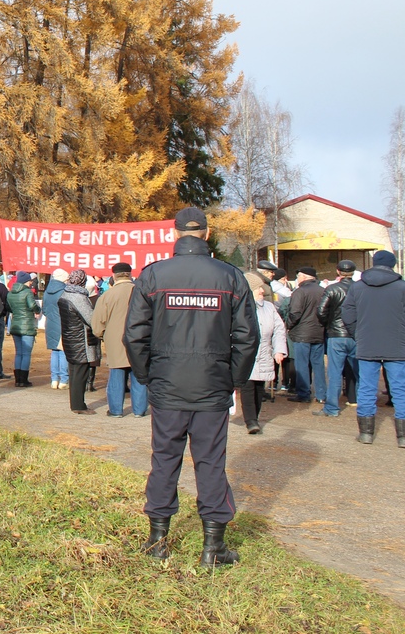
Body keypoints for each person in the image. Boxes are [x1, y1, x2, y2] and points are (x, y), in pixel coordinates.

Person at [123, 206, 259, 567]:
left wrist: (146, 375)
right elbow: (247, 338)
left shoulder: (153, 276)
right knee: (211, 461)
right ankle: (212, 548)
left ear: (175, 233)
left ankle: (158, 541)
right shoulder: (230, 277)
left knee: (164, 458)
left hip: (169, 383)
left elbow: (134, 335)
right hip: (211, 385)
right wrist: (234, 379)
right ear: (207, 233)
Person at [341, 250, 405, 447]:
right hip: (397, 344)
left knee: (367, 388)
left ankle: (366, 433)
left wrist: (357, 334)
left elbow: (348, 313)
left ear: (374, 263)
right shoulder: (402, 287)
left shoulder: (357, 287)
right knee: (400, 389)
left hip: (367, 342)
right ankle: (402, 437)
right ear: (393, 264)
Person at [92, 263, 146, 418]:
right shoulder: (141, 292)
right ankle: (139, 410)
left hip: (115, 340)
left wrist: (103, 336)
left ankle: (116, 410)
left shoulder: (108, 295)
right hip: (139, 339)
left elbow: (97, 324)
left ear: (114, 276)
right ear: (129, 274)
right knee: (139, 375)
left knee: (116, 375)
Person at [242, 272, 286, 434]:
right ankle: (251, 421)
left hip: (265, 352)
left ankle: (255, 416)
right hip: (247, 355)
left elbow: (279, 329)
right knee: (248, 387)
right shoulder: (241, 308)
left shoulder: (269, 307)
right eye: (258, 288)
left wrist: (279, 350)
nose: (262, 291)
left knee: (260, 387)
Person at [316, 260, 358, 418]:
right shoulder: (359, 289)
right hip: (355, 334)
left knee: (334, 372)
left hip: (336, 334)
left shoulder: (332, 289)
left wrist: (328, 324)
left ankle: (332, 407)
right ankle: (361, 402)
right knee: (359, 371)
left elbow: (321, 311)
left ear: (338, 271)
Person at [59, 270, 100, 413]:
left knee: (74, 372)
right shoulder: (79, 298)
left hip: (70, 337)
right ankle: (78, 405)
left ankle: (75, 403)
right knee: (80, 373)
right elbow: (91, 319)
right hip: (81, 340)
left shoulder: (65, 294)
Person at [284, 266, 325, 404]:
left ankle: (303, 393)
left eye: (298, 276)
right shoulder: (323, 291)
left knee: (302, 365)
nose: (297, 279)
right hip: (318, 332)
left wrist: (288, 325)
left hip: (301, 333)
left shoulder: (299, 292)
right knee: (318, 364)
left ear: (303, 277)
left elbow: (295, 313)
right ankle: (321, 394)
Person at [7, 271, 40, 387]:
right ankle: (23, 379)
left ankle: (18, 380)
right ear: (26, 281)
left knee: (18, 353)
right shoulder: (27, 292)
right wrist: (38, 310)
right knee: (26, 354)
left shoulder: (10, 293)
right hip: (27, 325)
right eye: (30, 280)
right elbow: (32, 305)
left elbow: (9, 308)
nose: (31, 282)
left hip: (15, 324)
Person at [43, 268, 68, 389]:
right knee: (63, 352)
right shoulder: (64, 291)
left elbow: (44, 309)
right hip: (62, 323)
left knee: (54, 352)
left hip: (50, 323)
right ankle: (63, 379)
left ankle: (54, 379)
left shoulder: (47, 291)